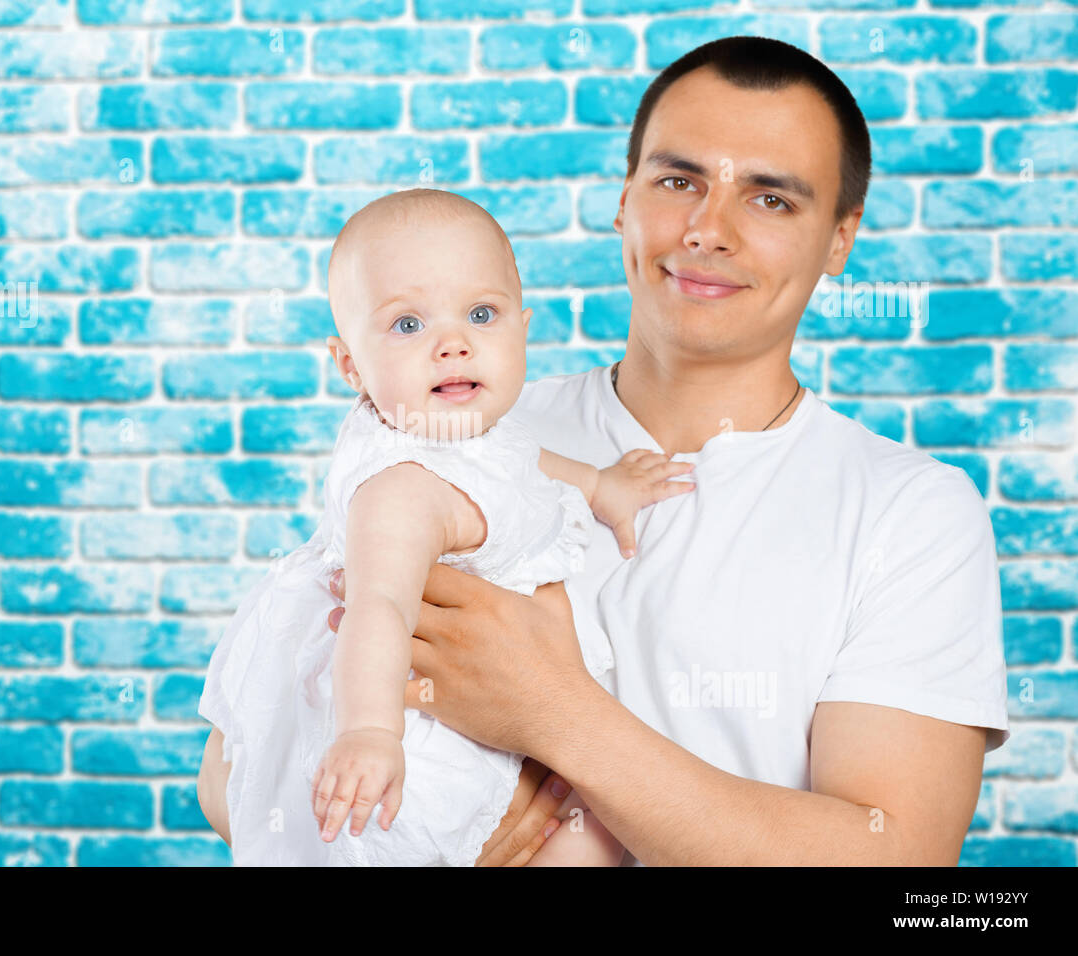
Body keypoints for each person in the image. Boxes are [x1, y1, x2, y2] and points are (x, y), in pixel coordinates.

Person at [201, 35, 1009, 866]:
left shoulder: (911, 514)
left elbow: (896, 861)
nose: (707, 229)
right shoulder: (459, 439)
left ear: (841, 239)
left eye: (771, 199)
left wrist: (556, 714)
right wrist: (438, 833)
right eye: (677, 181)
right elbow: (236, 777)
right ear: (624, 199)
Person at [197, 187, 694, 865]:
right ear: (349, 365)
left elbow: (521, 463)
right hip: (415, 732)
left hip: (495, 701)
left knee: (597, 819)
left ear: (523, 328)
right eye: (408, 325)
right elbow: (377, 608)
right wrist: (370, 733)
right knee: (594, 829)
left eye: (481, 315)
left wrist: (603, 485)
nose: (453, 344)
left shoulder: (473, 436)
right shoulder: (402, 491)